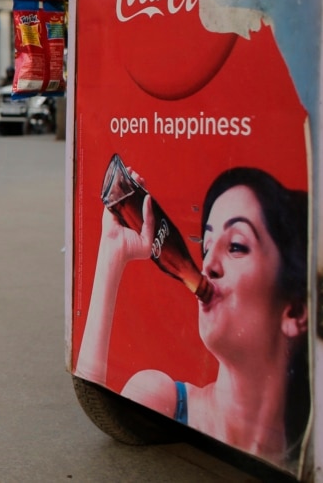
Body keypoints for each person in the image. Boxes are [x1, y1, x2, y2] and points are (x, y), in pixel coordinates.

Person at [77, 166, 309, 464]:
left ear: (295, 310)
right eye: (207, 246)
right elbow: (95, 403)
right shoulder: (162, 401)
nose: (208, 264)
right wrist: (112, 253)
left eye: (236, 246)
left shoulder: (318, 452)